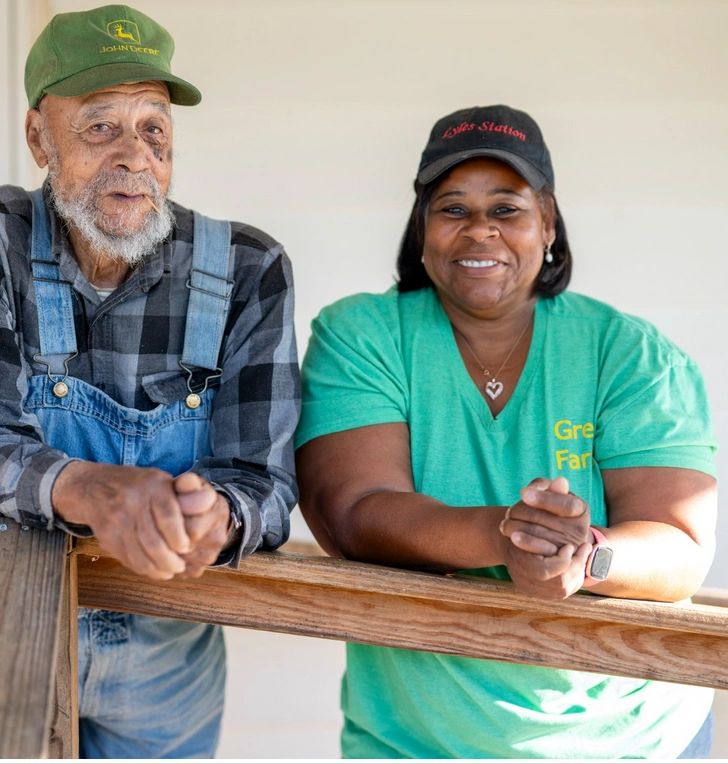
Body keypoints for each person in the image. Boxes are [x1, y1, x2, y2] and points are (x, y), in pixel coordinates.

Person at [0, 4, 299, 758]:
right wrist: (96, 489)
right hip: (7, 616)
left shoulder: (250, 268)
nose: (134, 156)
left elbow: (265, 480)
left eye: (153, 129)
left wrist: (213, 516)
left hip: (169, 646)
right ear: (39, 137)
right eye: (100, 127)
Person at [295, 104, 717, 759]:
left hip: (633, 738)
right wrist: (506, 534)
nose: (479, 232)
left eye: (507, 209)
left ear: (547, 223)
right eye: (453, 209)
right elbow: (351, 513)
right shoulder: (364, 336)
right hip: (418, 738)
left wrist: (585, 557)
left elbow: (681, 545)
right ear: (423, 229)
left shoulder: (628, 354)